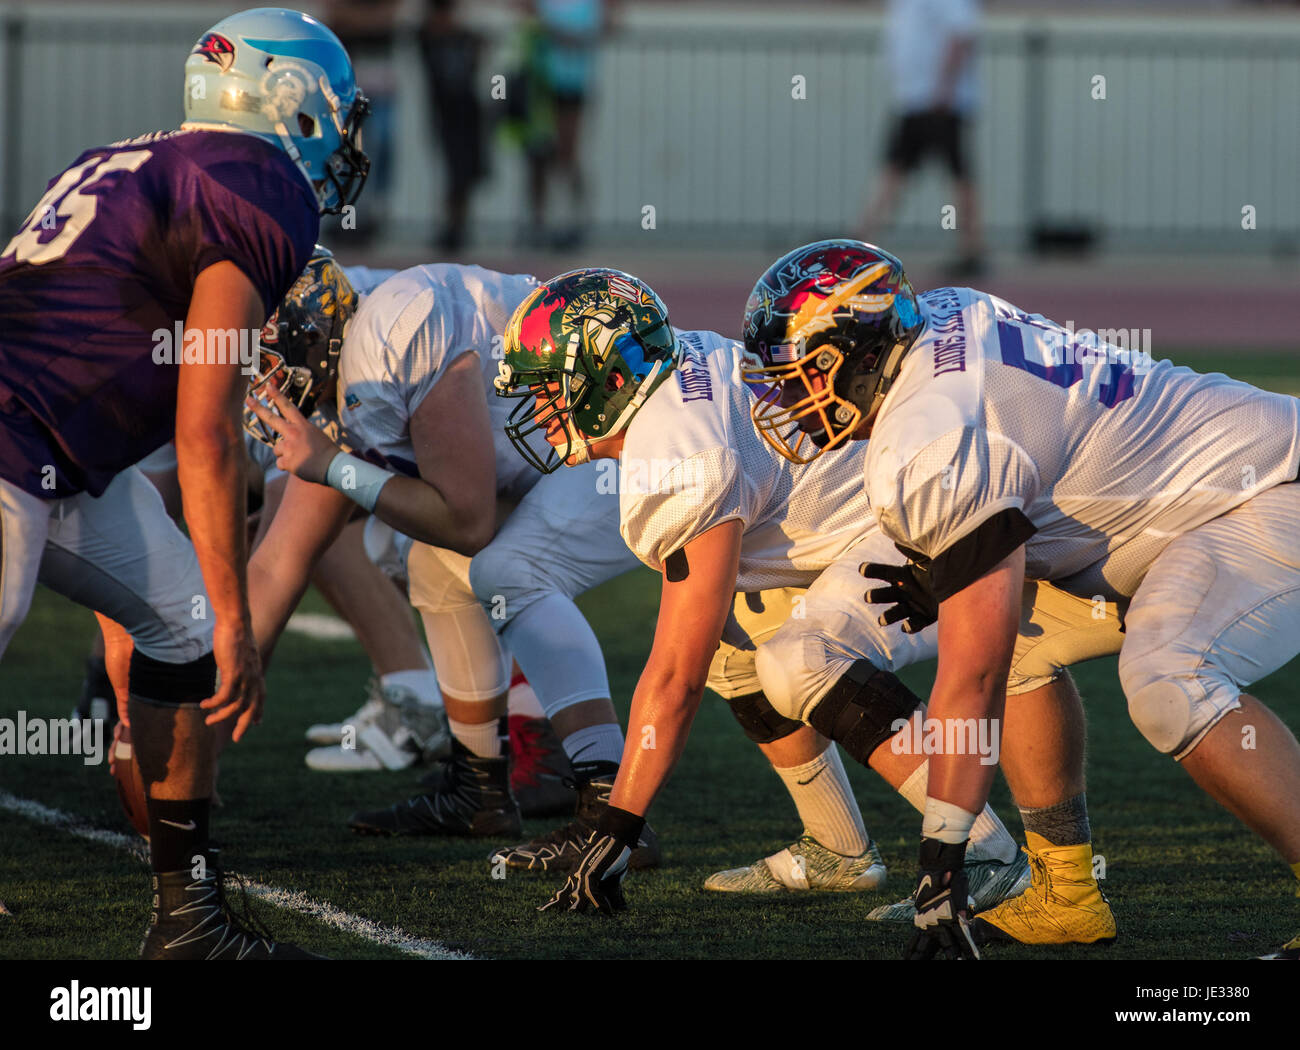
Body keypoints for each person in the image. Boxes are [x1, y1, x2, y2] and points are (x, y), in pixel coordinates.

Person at [493, 269, 1124, 925]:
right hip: (863, 519)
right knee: (727, 646)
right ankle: (840, 850)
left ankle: (990, 857)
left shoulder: (676, 455)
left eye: (551, 390)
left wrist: (615, 829)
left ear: (610, 383)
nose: (540, 409)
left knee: (797, 661)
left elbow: (671, 678)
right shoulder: (672, 372)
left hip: (927, 523)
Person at [742, 238, 1300, 961]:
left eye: (795, 378)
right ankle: (1067, 892)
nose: (782, 401)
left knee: (1170, 678)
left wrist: (943, 854)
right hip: (1159, 517)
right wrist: (944, 556)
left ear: (852, 355)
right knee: (1025, 643)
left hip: (1260, 492)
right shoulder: (940, 319)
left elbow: (968, 674)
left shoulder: (928, 432)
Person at [0, 7, 368, 959]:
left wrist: (219, 614)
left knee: (178, 628)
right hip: (11, 437)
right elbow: (204, 430)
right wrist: (244, 618)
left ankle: (188, 923)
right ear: (285, 96)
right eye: (331, 104)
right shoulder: (256, 182)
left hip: (58, 453)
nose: (341, 128)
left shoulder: (124, 157)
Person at [860, 0, 984, 278]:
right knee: (896, 168)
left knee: (956, 172)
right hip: (914, 99)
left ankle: (973, 248)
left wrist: (944, 89)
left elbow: (961, 34)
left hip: (937, 100)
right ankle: (862, 242)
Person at [420, 0, 488, 253]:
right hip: (444, 115)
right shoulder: (428, 38)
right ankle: (450, 224)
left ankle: (459, 224)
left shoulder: (466, 38)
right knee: (451, 171)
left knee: (465, 173)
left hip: (467, 114)